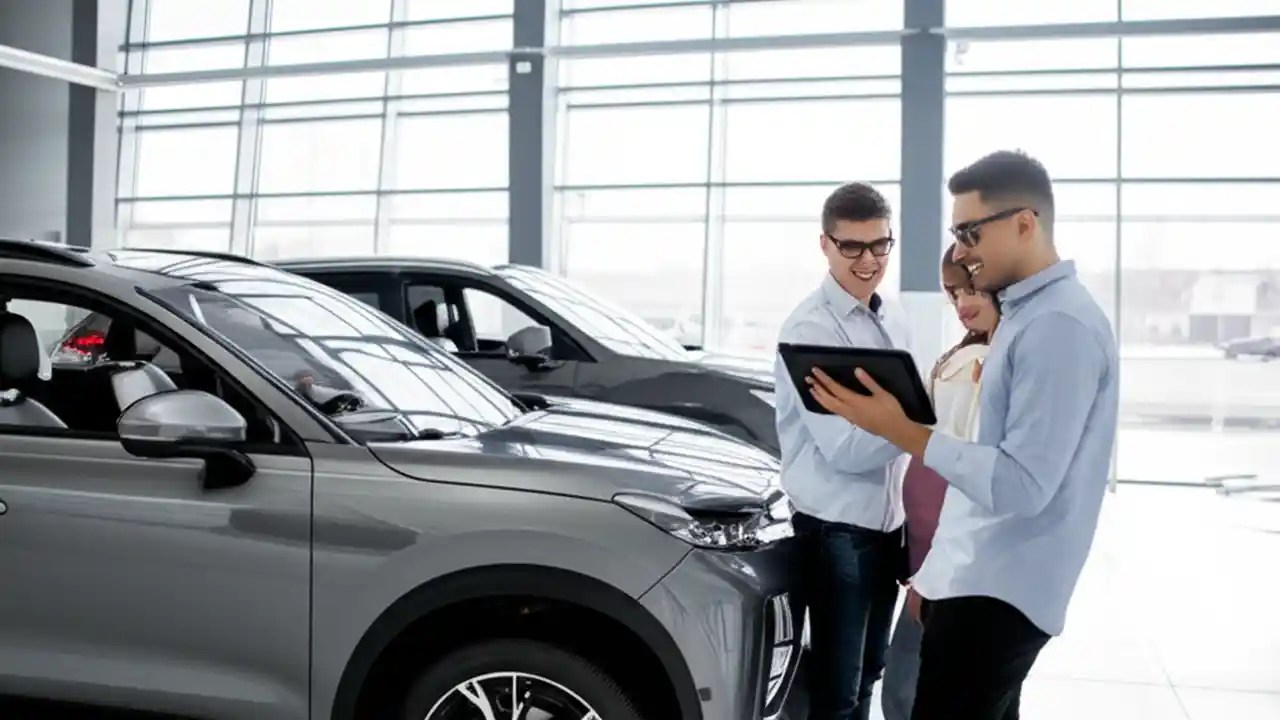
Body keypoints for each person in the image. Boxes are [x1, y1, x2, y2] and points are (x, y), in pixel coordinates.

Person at [806, 150, 1120, 720]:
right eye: (958, 232)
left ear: (1025, 224)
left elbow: (1023, 485)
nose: (963, 251)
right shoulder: (1028, 317)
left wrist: (902, 431)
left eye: (971, 232)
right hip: (975, 577)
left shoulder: (1056, 326)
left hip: (998, 591)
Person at [772, 181, 910, 720]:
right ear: (825, 245)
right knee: (837, 689)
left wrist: (907, 424)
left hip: (885, 527)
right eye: (852, 246)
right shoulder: (810, 331)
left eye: (880, 245)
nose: (868, 260)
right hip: (836, 533)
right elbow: (846, 450)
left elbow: (904, 410)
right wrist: (918, 429)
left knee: (871, 670)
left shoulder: (892, 315)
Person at [880, 243, 1001, 720]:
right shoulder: (963, 353)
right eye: (953, 293)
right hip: (929, 556)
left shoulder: (997, 365)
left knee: (910, 693)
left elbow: (975, 478)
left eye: (973, 289)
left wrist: (934, 575)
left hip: (954, 567)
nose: (963, 302)